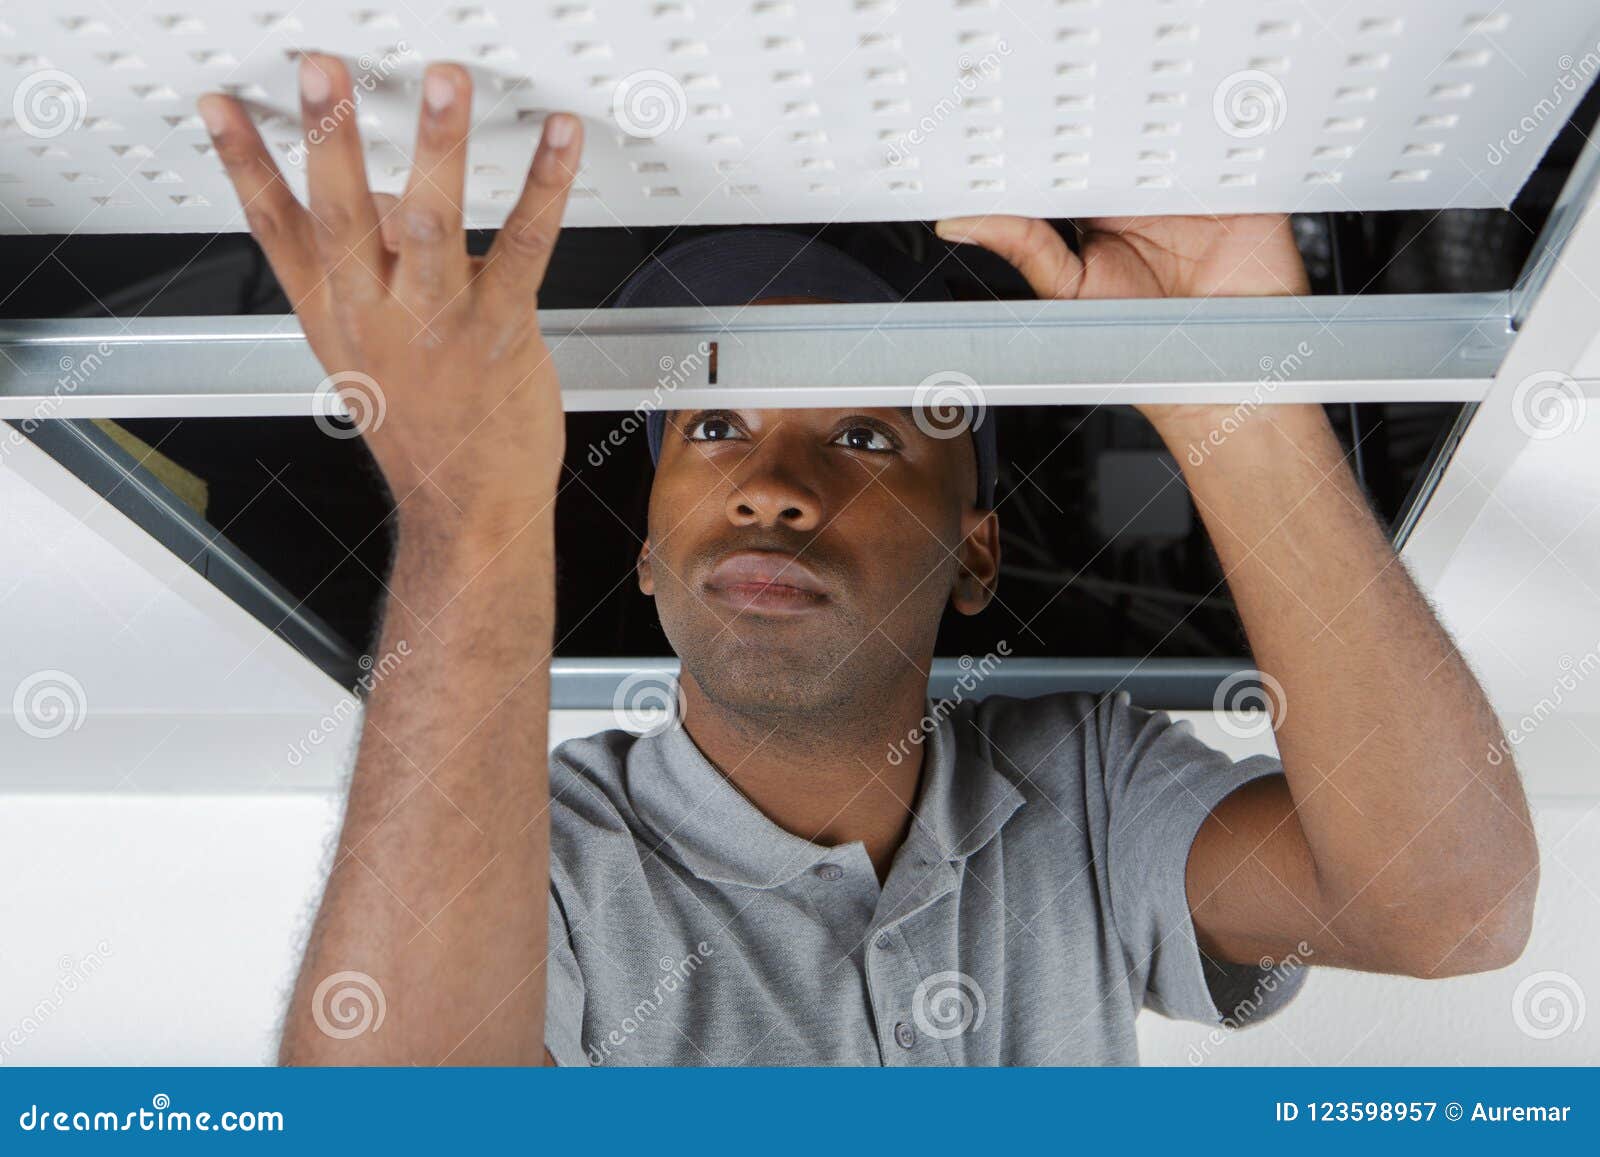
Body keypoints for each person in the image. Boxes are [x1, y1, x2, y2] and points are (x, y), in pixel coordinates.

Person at [197, 57, 1538, 1066]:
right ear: (651, 551)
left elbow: (1450, 912)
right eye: (713, 423)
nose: (775, 488)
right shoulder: (538, 864)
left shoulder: (1088, 796)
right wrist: (465, 516)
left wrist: (1230, 400)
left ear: (977, 550)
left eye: (863, 429)